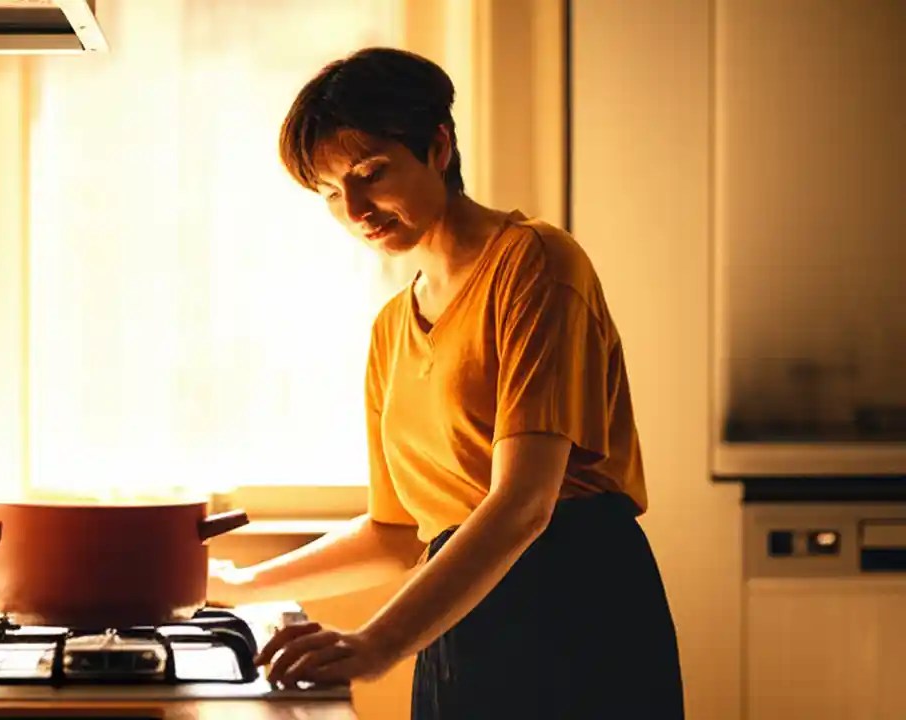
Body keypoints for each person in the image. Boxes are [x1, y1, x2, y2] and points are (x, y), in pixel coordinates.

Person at [207, 47, 685, 718]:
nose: (355, 208)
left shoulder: (536, 265)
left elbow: (523, 505)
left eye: (370, 173)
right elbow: (396, 533)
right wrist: (229, 586)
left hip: (573, 604)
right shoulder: (390, 328)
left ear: (437, 147)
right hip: (457, 613)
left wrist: (378, 642)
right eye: (329, 193)